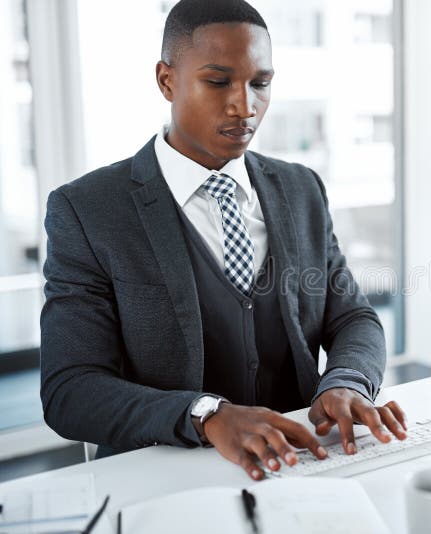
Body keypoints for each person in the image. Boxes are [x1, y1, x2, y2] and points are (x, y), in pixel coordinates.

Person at [39, 0, 406, 482]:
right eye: (218, 82)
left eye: (260, 83)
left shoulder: (301, 189)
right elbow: (70, 390)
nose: (244, 106)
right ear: (166, 80)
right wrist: (206, 415)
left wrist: (347, 381)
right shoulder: (88, 210)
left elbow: (352, 317)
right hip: (163, 480)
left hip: (303, 467)